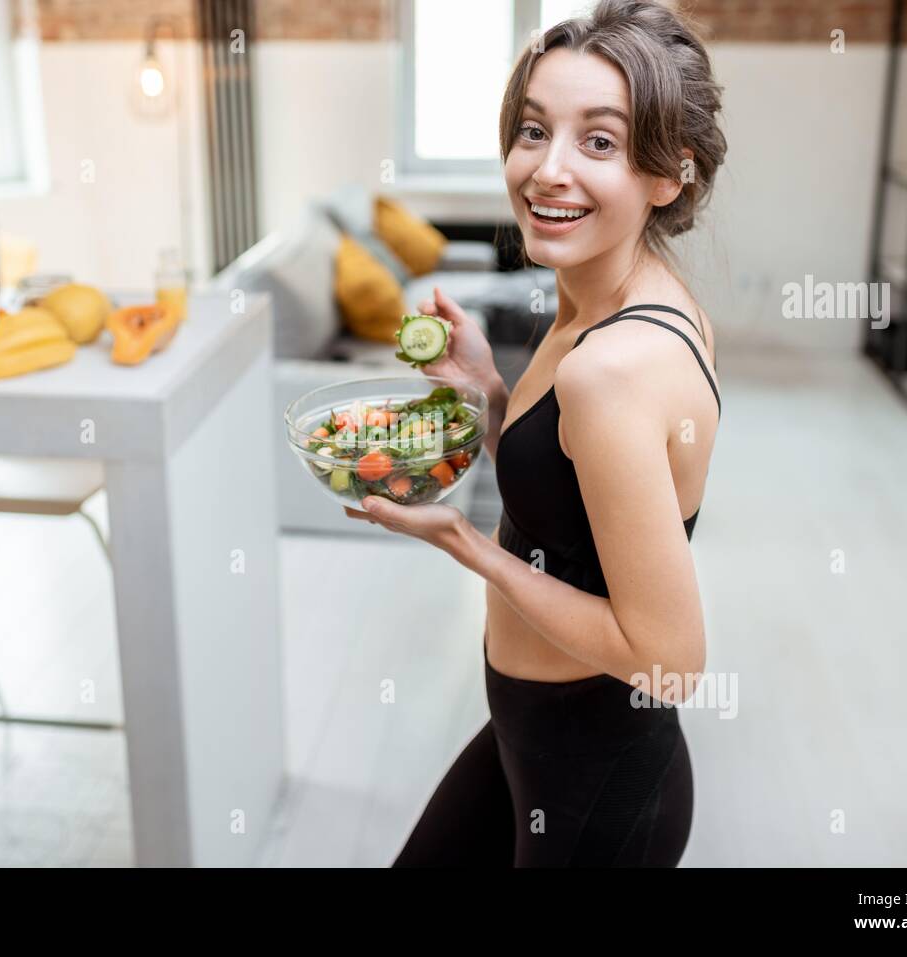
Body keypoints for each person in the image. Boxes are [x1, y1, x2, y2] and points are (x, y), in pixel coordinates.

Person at [343, 0, 727, 867]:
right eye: (531, 130)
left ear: (670, 174)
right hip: (532, 738)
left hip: (598, 786)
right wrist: (488, 390)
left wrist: (468, 545)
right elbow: (572, 490)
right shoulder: (613, 292)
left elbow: (671, 662)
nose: (547, 170)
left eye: (599, 141)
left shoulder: (612, 365)